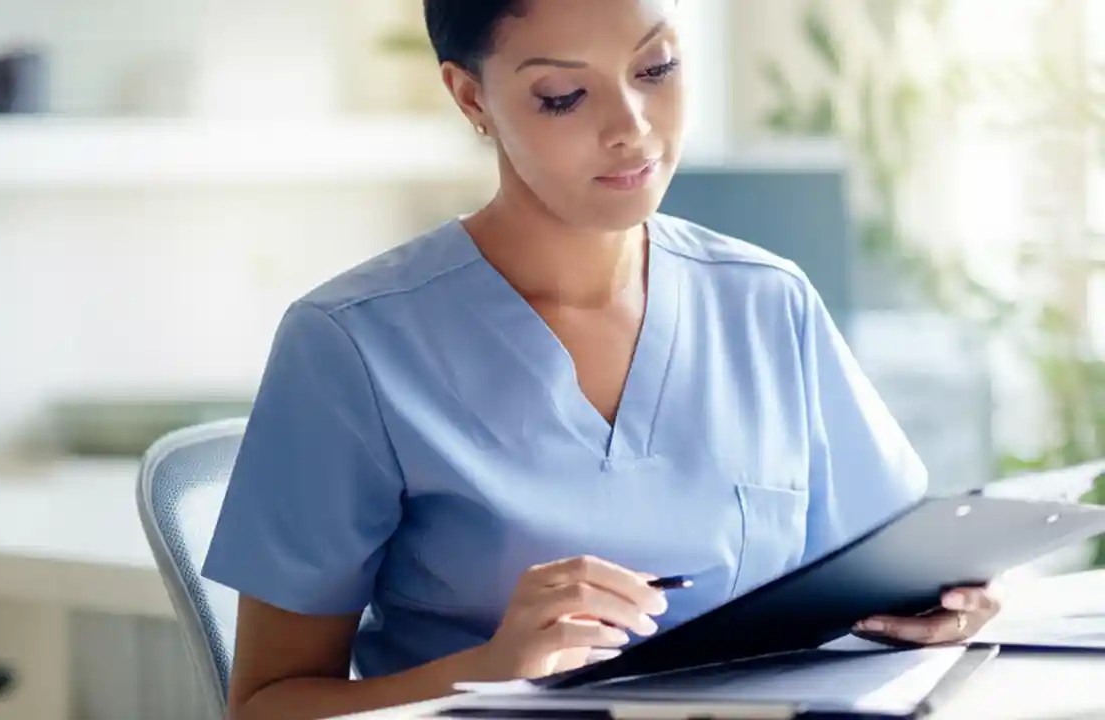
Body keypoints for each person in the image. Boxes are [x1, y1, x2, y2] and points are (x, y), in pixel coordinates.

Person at [202, 1, 1002, 717]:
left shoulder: (768, 303)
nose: (633, 126)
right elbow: (270, 704)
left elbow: (886, 577)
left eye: (656, 69)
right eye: (563, 95)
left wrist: (939, 607)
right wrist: (488, 671)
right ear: (471, 97)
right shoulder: (352, 343)